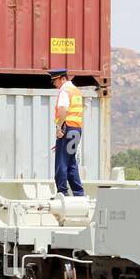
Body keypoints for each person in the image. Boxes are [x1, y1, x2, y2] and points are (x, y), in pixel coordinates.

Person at [50, 68, 85, 197]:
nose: (54, 84)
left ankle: (62, 192)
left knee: (61, 161)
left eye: (55, 80)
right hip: (76, 130)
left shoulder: (64, 91)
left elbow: (63, 110)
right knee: (71, 162)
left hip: (67, 129)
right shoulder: (76, 91)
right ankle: (78, 192)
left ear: (62, 78)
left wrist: (59, 127)